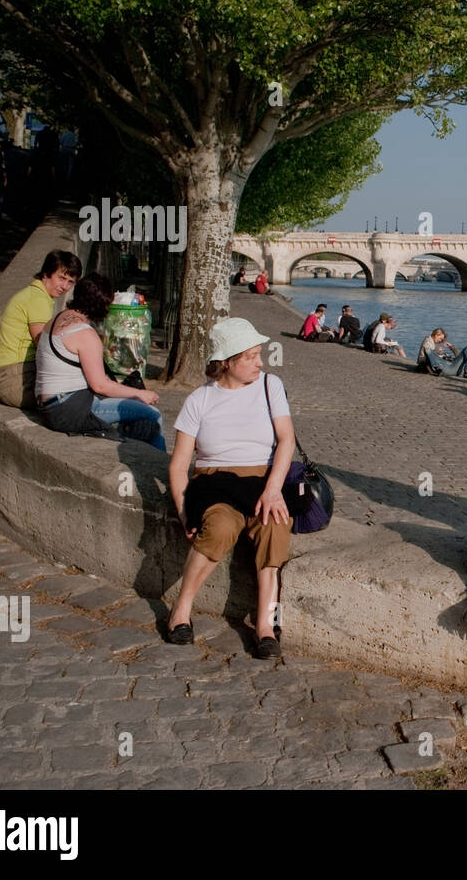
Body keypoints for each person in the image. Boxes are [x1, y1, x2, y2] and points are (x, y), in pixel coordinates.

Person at [165, 318, 295, 660]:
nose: (260, 362)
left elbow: (286, 440)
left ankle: (266, 625)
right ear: (227, 361)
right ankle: (181, 611)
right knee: (219, 528)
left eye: (259, 354)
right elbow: (179, 465)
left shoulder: (271, 386)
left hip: (260, 482)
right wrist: (183, 510)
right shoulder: (199, 400)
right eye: (251, 356)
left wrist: (273, 489)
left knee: (275, 526)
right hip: (214, 482)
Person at [34, 273, 165, 450]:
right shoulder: (85, 334)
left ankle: (136, 451)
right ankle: (154, 464)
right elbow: (100, 386)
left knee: (133, 407)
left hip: (51, 405)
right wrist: (140, 394)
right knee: (152, 414)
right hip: (69, 409)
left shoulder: (58, 318)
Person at [0, 250, 82, 408]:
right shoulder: (38, 300)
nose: (65, 287)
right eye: (61, 278)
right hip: (13, 381)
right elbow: (44, 344)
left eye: (70, 282)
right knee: (80, 391)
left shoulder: (34, 294)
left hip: (6, 376)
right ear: (46, 274)